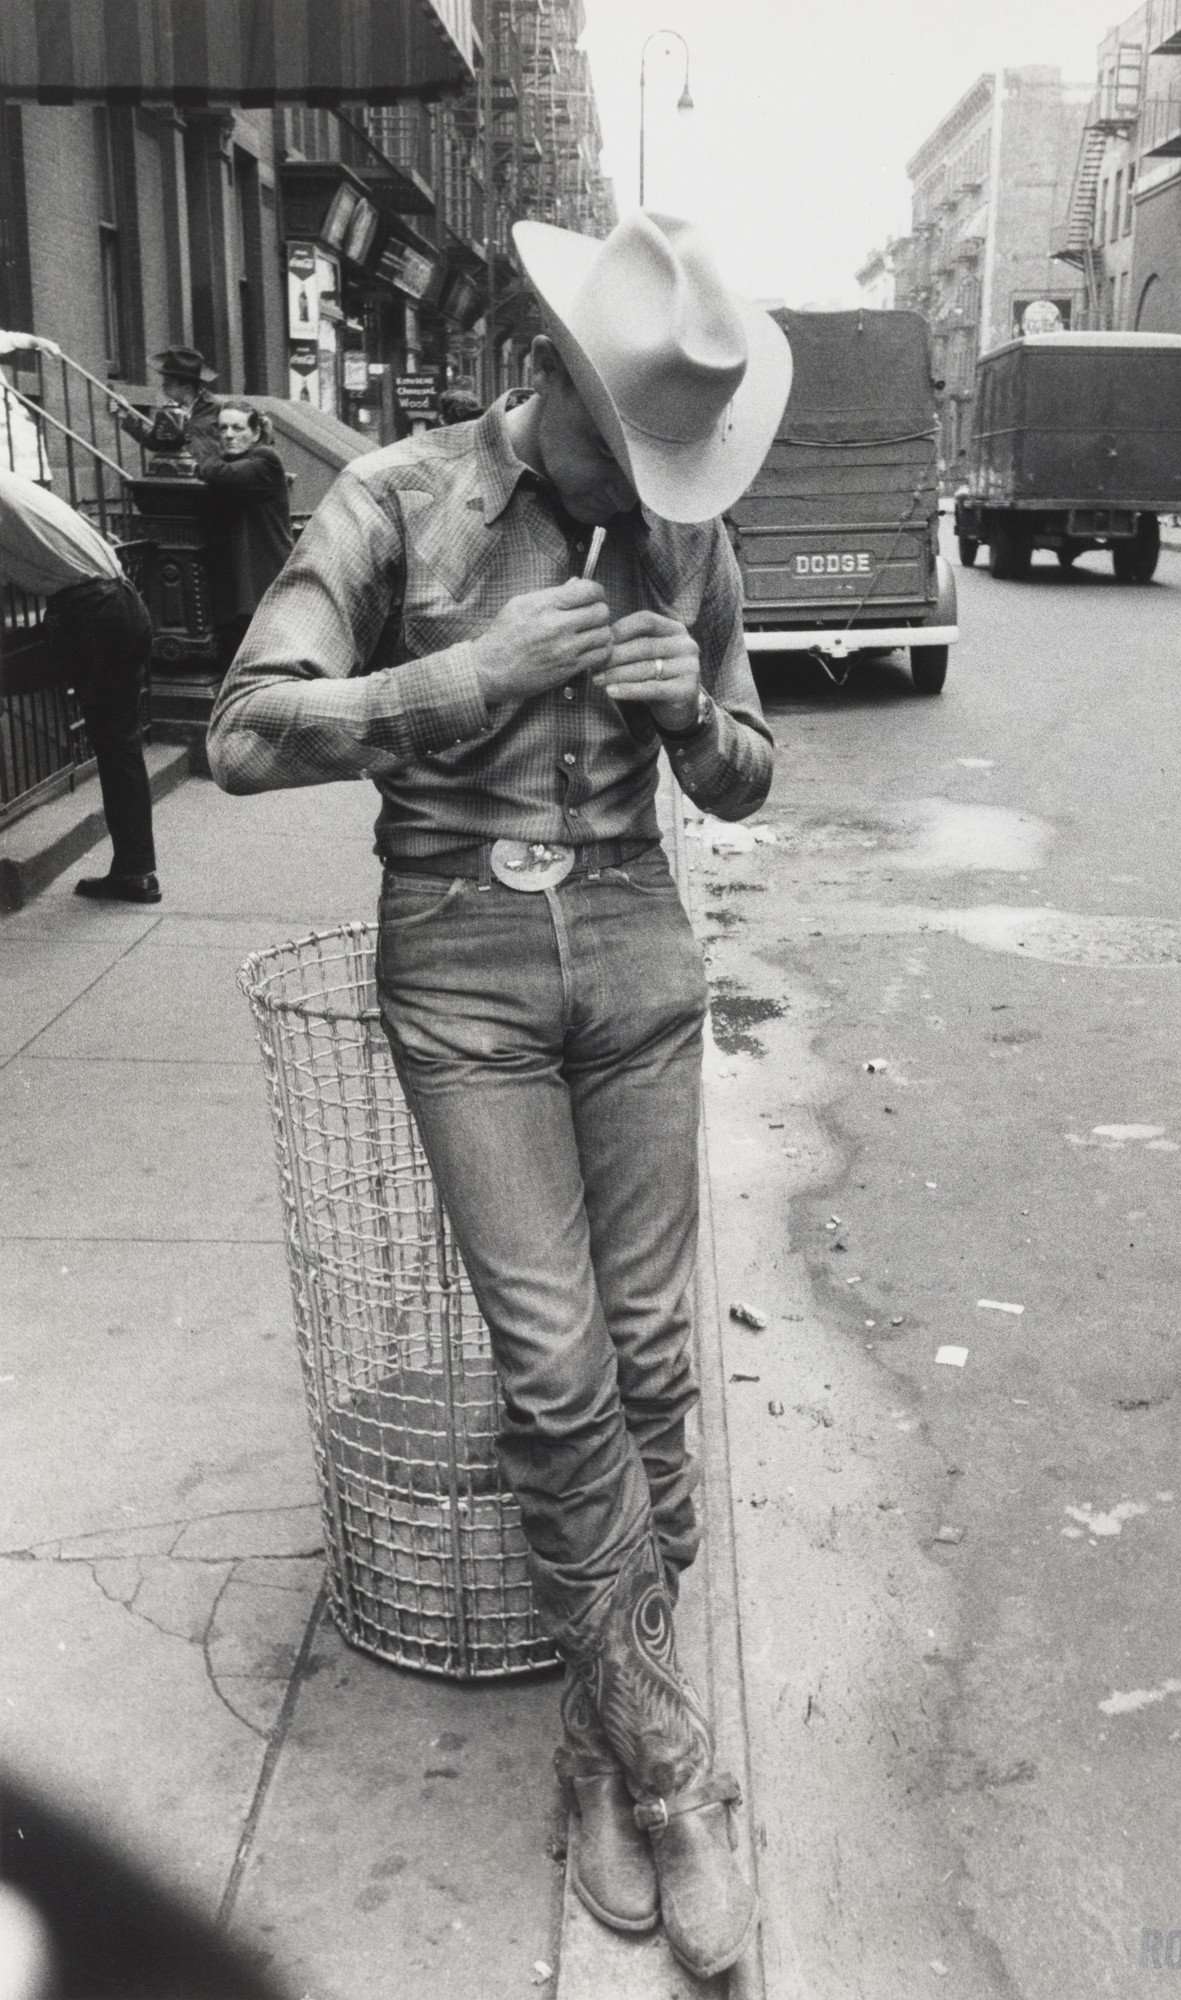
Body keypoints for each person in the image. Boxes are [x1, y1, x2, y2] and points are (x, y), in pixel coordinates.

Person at [207, 208, 792, 1982]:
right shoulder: (393, 497)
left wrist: (695, 720)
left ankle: (604, 1736)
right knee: (555, 1370)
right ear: (548, 379)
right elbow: (240, 730)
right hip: (458, 949)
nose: (656, 493)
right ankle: (676, 1775)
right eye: (634, 450)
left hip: (634, 942)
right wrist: (460, 680)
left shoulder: (687, 537)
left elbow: (755, 776)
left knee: (658, 1356)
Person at [0, 467, 159, 902]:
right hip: (122, 606)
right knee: (119, 750)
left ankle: (135, 872)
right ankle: (136, 872)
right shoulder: (12, 485)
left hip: (91, 614)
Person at [190, 401, 293, 668]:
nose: (228, 435)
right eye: (222, 428)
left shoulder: (265, 460)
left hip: (264, 585)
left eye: (237, 427)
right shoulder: (236, 461)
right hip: (236, 591)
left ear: (256, 433)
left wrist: (204, 459)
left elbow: (220, 473)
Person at [112, 346, 222, 464]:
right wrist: (126, 414)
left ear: (187, 387)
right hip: (178, 474)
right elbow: (156, 443)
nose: (163, 386)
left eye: (168, 382)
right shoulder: (169, 411)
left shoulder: (216, 407)